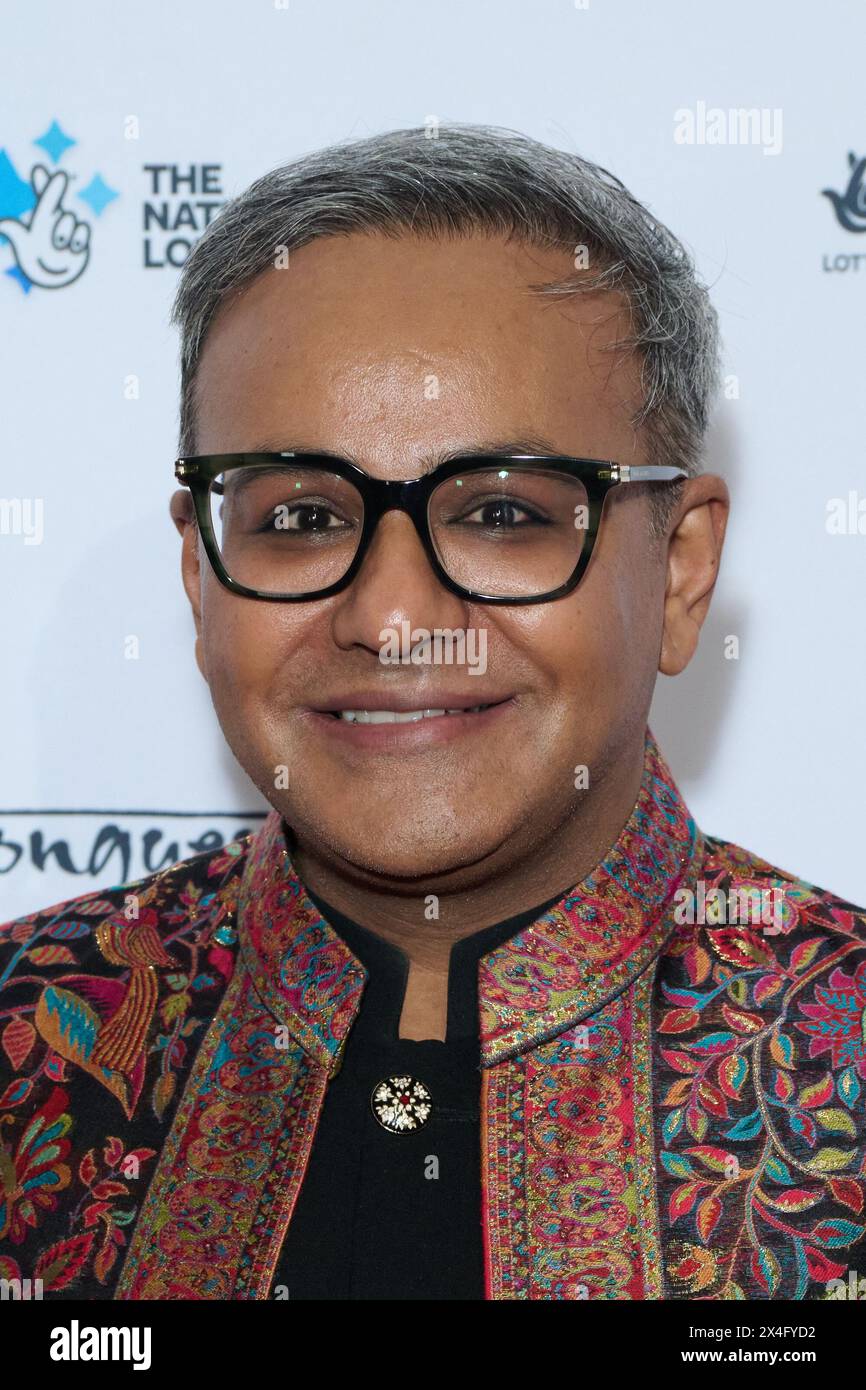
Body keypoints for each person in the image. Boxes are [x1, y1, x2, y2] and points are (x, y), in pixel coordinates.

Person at [1, 124, 863, 1302]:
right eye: (300, 516)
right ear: (201, 580)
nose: (392, 617)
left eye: (502, 513)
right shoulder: (29, 1044)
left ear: (678, 572)